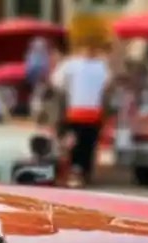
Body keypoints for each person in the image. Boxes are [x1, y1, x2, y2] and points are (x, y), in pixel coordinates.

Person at [52, 37, 111, 188]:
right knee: (78, 145)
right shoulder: (74, 64)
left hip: (87, 113)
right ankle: (77, 171)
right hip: (79, 113)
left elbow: (107, 86)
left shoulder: (98, 66)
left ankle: (82, 172)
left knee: (85, 145)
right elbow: (57, 82)